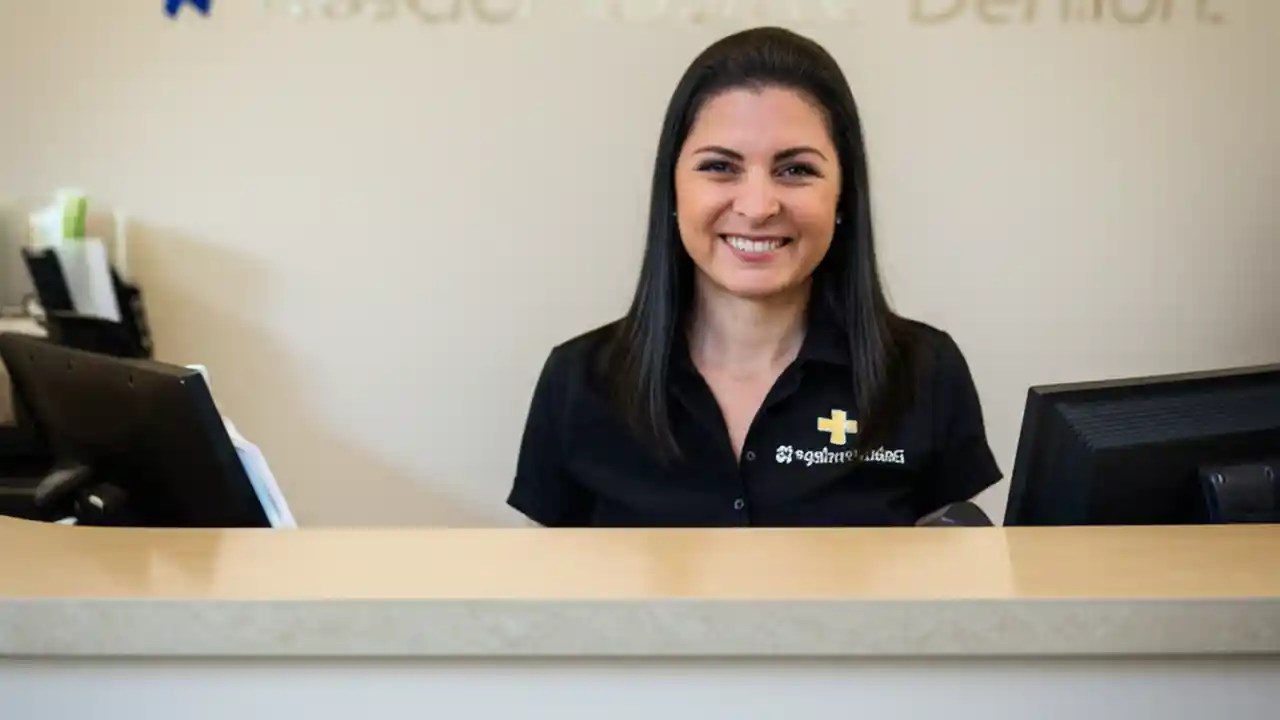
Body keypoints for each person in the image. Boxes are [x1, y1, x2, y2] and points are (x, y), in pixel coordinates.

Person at [507, 27, 1002, 527]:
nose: (758, 206)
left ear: (843, 197)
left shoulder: (923, 373)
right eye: (720, 166)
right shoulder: (579, 381)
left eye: (795, 170)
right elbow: (541, 577)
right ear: (673, 191)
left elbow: (962, 568)